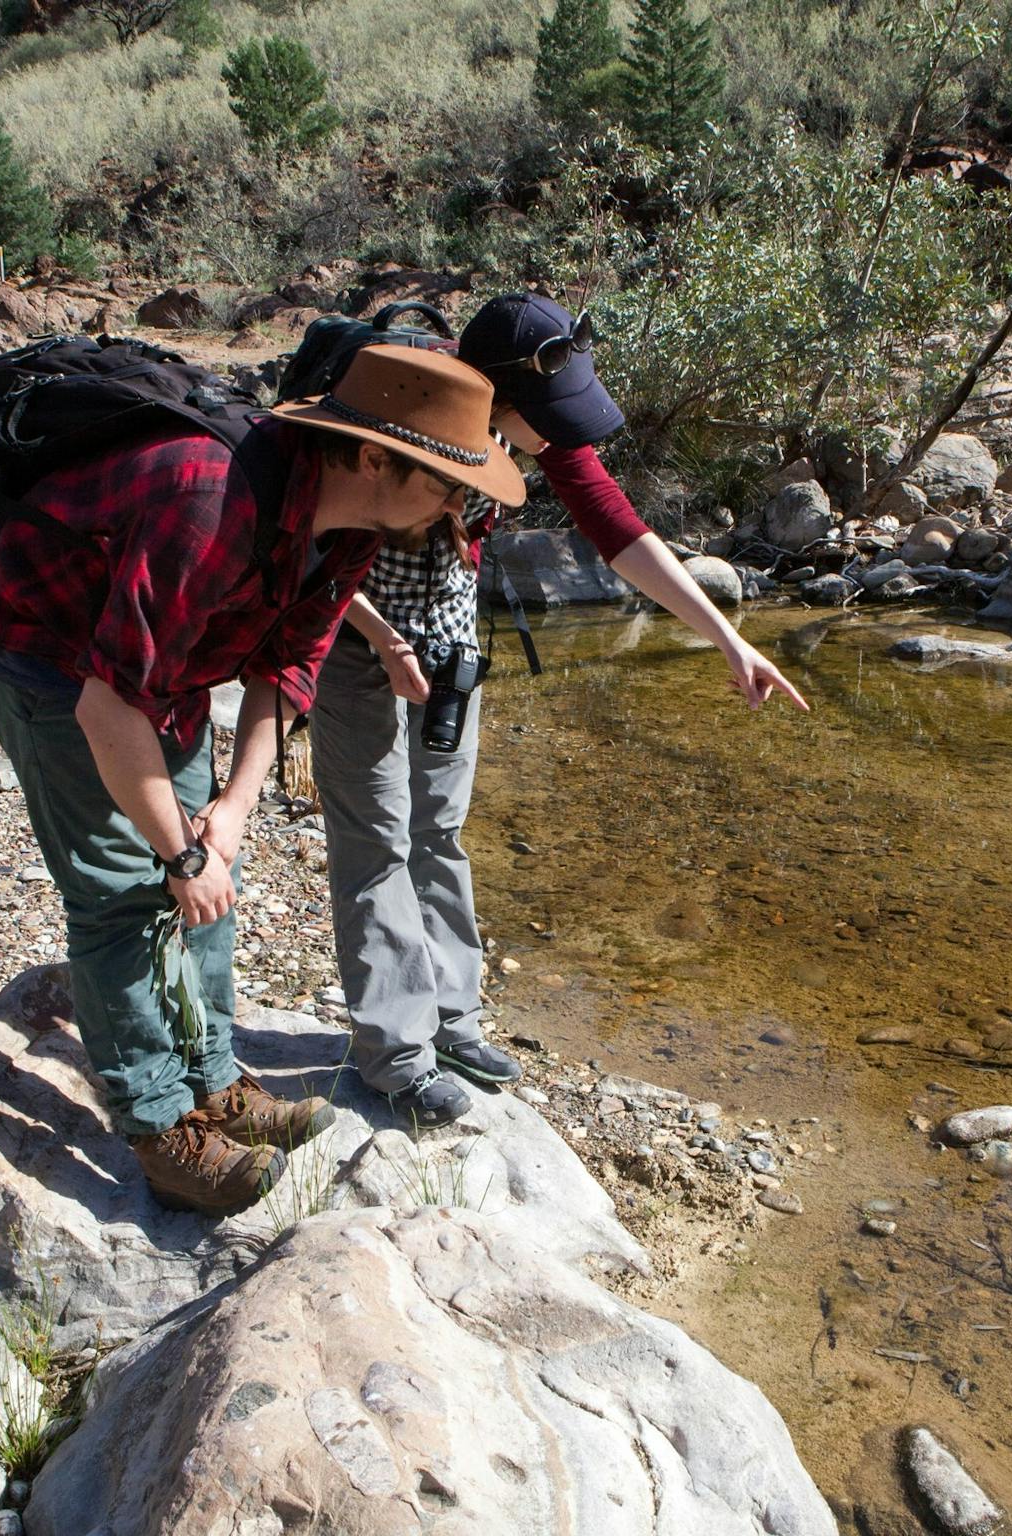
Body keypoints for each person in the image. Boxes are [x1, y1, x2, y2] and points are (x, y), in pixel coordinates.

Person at [0, 346, 526, 1214]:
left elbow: (285, 668)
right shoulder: (207, 496)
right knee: (122, 889)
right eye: (447, 483)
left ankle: (214, 1079)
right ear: (375, 459)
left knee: (215, 872)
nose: (458, 506)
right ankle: (158, 1126)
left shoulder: (354, 529)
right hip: (44, 653)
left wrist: (230, 815)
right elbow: (108, 706)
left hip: (159, 667)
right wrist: (179, 855)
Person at [311, 293, 807, 1129]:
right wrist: (381, 637)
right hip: (359, 641)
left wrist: (727, 639)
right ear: (497, 394)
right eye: (550, 415)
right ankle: (396, 1057)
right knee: (376, 841)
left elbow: (618, 530)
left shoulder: (534, 426)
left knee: (439, 834)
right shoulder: (404, 409)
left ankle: (453, 1023)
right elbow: (311, 536)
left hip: (450, 645)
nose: (563, 434)